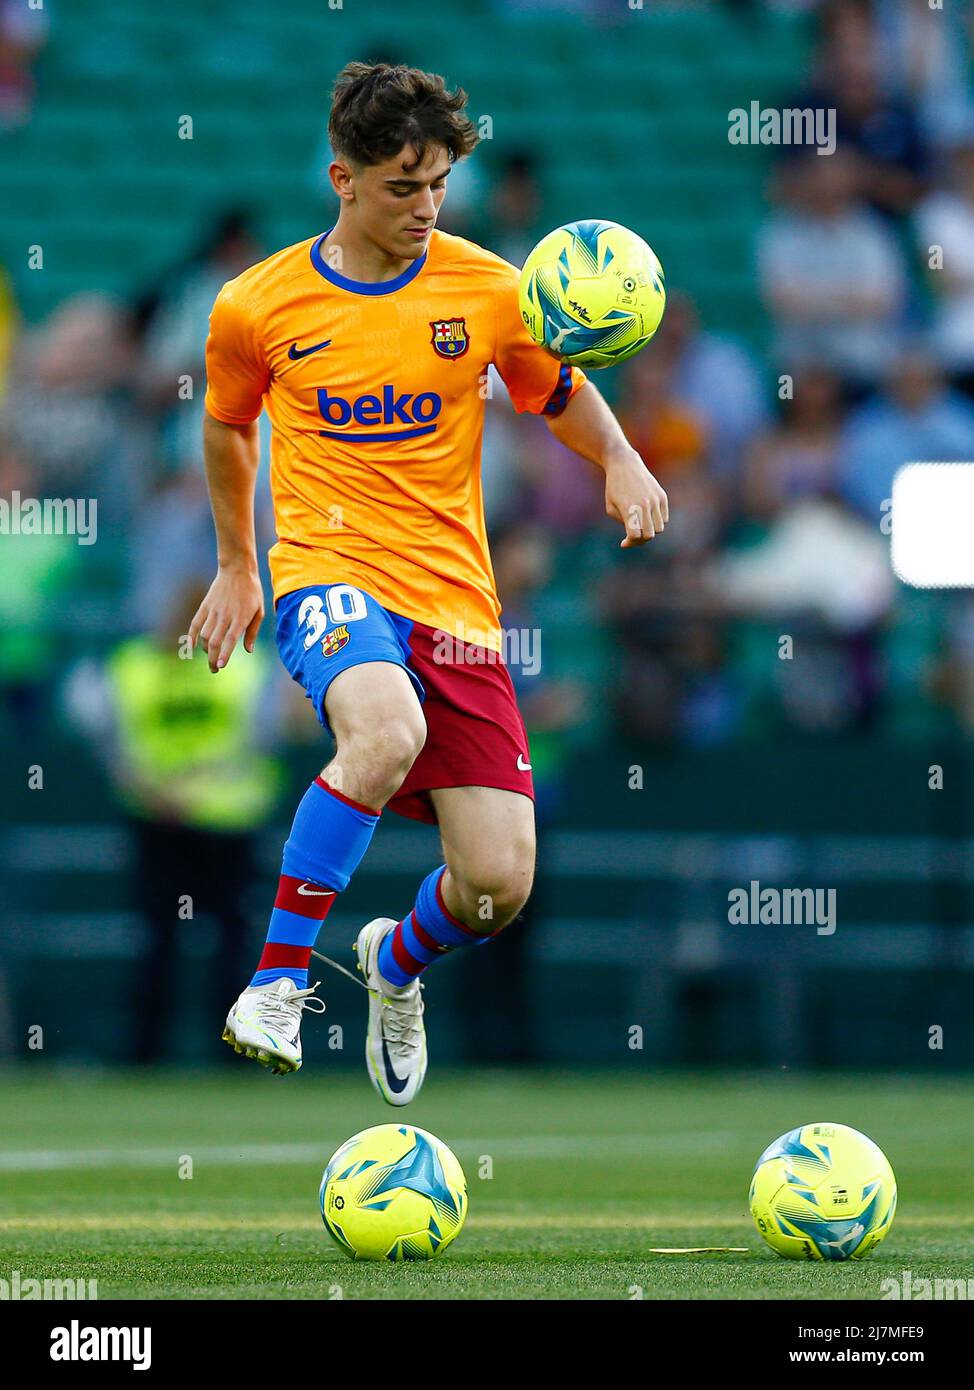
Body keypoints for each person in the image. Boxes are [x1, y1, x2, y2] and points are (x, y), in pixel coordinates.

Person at [190, 61, 668, 1104]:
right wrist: (238, 562)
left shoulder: (487, 289)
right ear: (342, 180)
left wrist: (621, 457)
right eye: (401, 187)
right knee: (383, 731)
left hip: (455, 603)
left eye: (438, 183)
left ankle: (392, 962)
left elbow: (559, 392)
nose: (424, 207)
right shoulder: (256, 305)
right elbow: (227, 425)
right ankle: (274, 985)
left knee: (497, 885)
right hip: (326, 568)